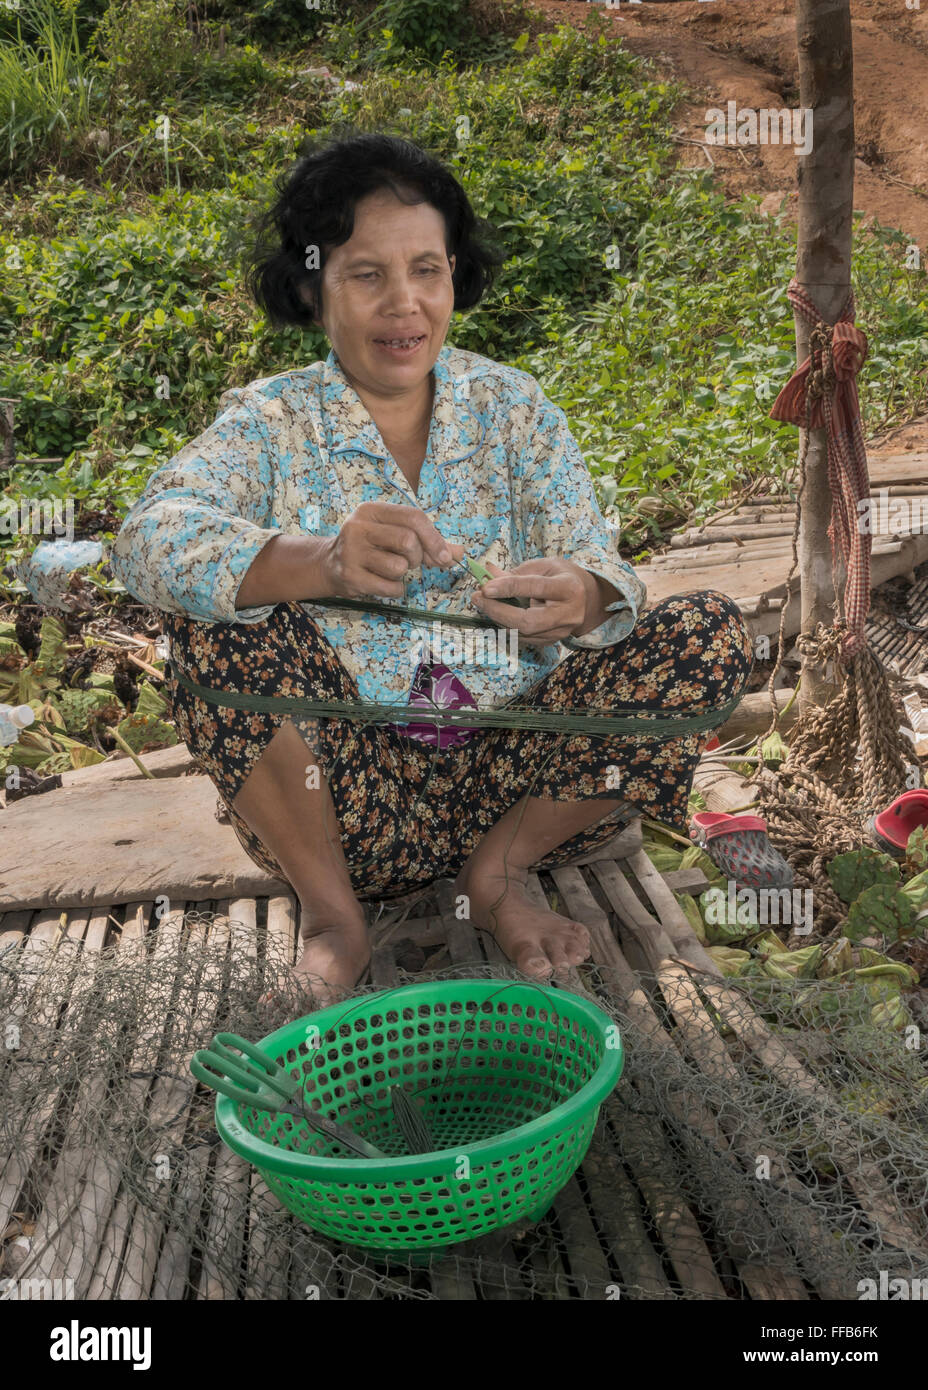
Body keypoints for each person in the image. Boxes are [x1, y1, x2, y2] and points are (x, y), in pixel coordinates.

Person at [111, 132, 753, 1005]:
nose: (403, 304)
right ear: (310, 286)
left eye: (428, 270)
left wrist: (586, 594)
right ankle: (334, 918)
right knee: (206, 612)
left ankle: (500, 877)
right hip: (345, 802)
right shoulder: (270, 423)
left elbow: (601, 560)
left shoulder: (512, 408)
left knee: (705, 632)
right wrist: (318, 560)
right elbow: (147, 538)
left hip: (524, 782)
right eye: (365, 274)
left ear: (456, 276)